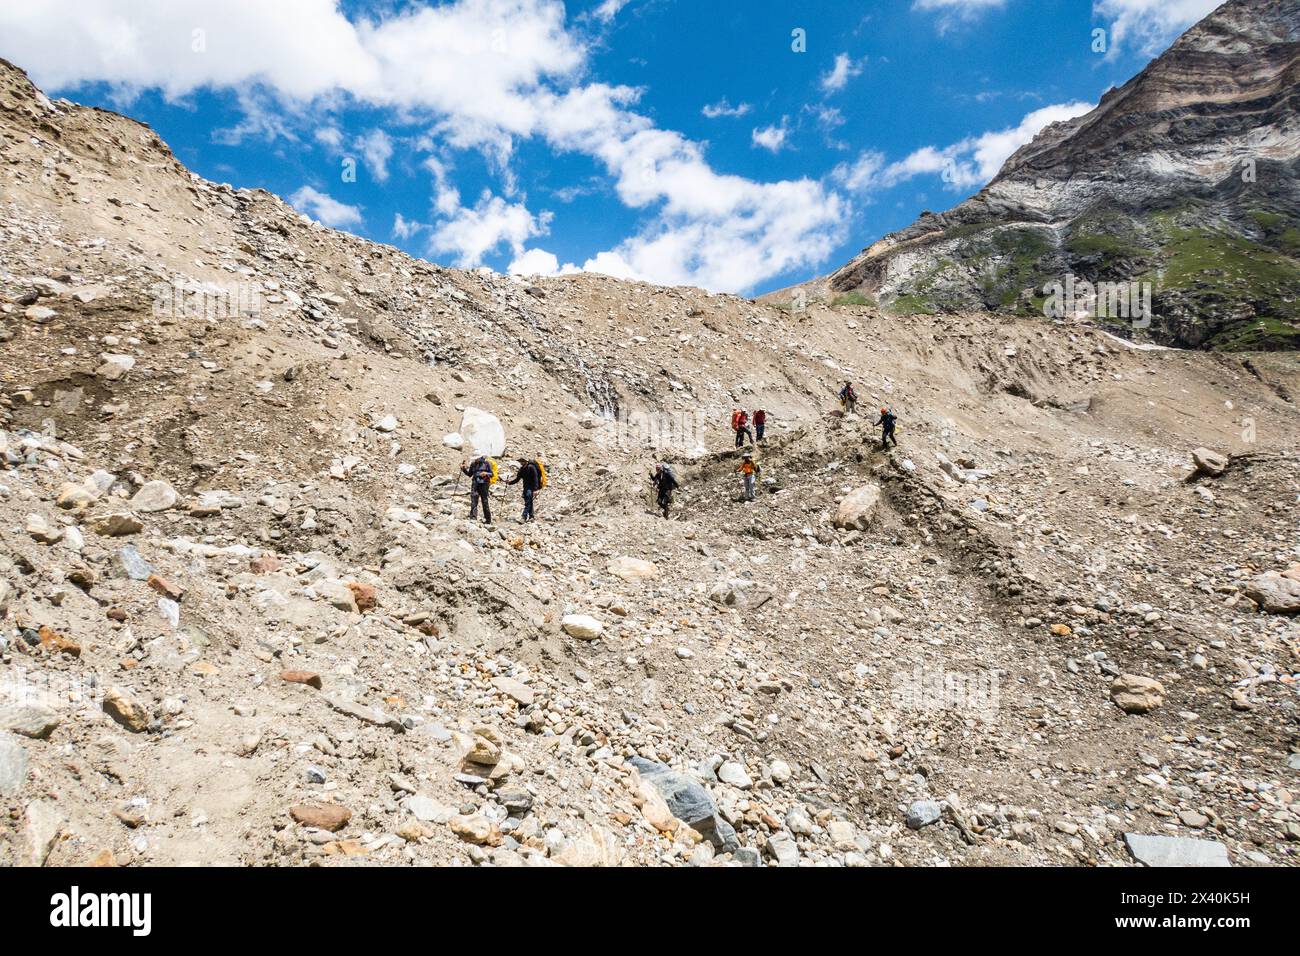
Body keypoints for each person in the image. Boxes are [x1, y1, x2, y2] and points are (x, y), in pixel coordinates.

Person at [460, 455, 495, 524]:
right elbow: (470, 474)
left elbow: (492, 474)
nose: (475, 460)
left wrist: (486, 473)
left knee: (484, 501)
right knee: (474, 500)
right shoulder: (473, 464)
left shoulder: (486, 463)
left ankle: (488, 520)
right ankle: (473, 517)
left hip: (484, 484)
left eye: (476, 458)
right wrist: (463, 469)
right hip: (475, 484)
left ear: (479, 457)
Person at [506, 457, 542, 522]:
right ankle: (531, 517)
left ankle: (524, 517)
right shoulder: (522, 469)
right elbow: (517, 479)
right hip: (525, 487)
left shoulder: (531, 467)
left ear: (526, 462)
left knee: (528, 502)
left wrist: (536, 490)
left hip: (531, 488)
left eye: (522, 461)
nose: (521, 463)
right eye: (520, 462)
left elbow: (535, 478)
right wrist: (510, 482)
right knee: (529, 501)